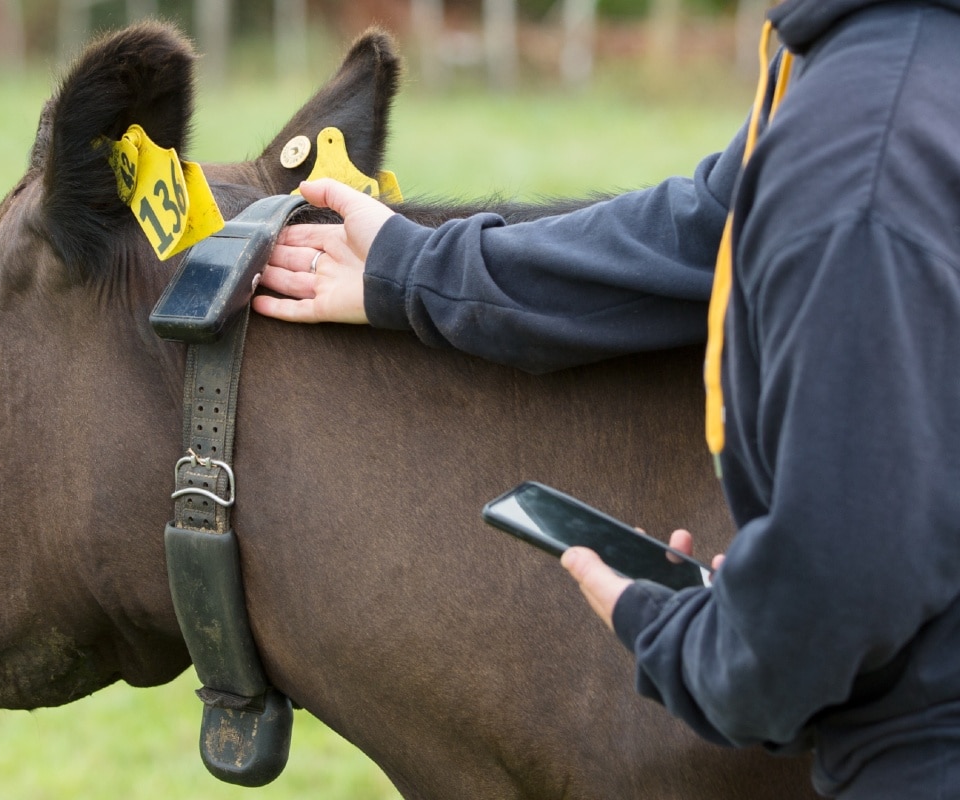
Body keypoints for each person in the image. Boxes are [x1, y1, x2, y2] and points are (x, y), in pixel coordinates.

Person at [254, 0, 960, 796]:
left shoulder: (862, 151)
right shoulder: (890, 61)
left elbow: (834, 600)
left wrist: (689, 641)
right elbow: (708, 226)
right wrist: (414, 270)